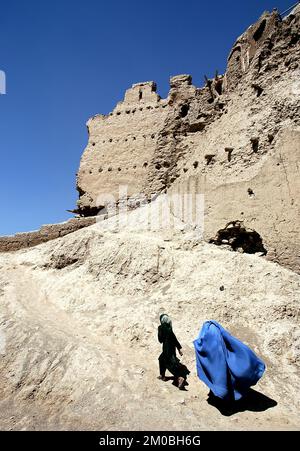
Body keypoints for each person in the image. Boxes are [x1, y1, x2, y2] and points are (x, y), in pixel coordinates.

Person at [193, 320, 266, 401]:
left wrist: (197, 345)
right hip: (225, 363)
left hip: (216, 366)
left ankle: (222, 397)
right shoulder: (222, 336)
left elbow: (202, 348)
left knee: (219, 378)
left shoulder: (208, 338)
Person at [157, 314, 190, 390]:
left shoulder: (161, 327)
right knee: (162, 359)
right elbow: (174, 338)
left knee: (169, 364)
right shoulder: (169, 327)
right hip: (172, 348)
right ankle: (162, 375)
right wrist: (179, 349)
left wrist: (160, 332)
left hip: (166, 349)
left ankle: (180, 378)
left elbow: (160, 340)